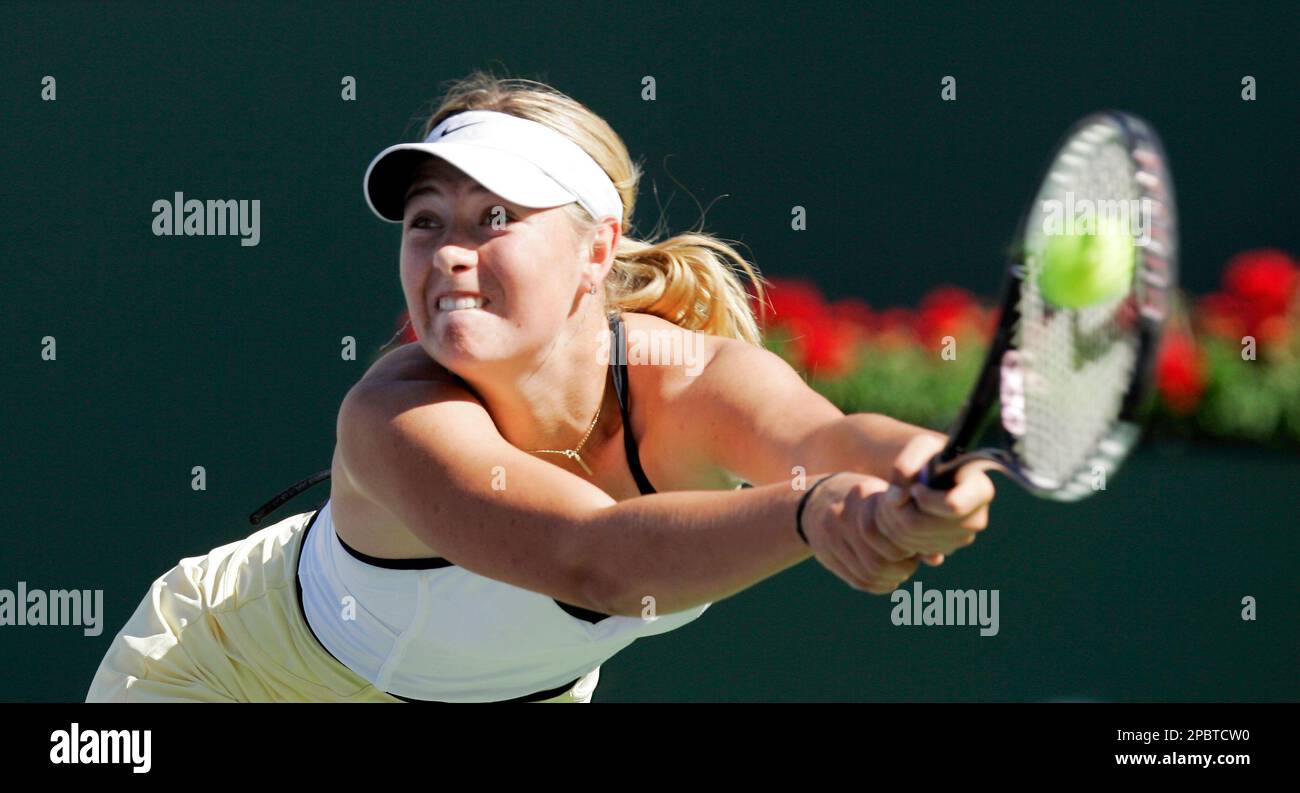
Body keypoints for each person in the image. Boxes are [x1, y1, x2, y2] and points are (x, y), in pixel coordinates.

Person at [86, 71, 995, 703]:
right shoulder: (393, 416)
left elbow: (827, 441)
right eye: (426, 220)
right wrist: (816, 515)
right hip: (224, 678)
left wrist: (925, 473)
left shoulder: (690, 379)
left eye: (494, 219)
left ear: (597, 247)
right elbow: (589, 559)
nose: (448, 249)